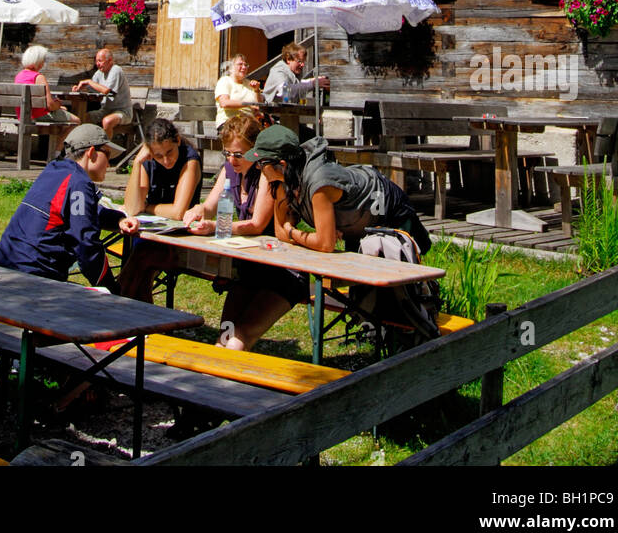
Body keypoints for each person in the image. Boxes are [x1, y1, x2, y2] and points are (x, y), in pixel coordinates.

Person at [181, 109, 308, 350]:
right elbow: (210, 205)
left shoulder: (265, 172)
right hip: (250, 266)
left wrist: (214, 228)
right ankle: (214, 381)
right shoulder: (230, 169)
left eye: (239, 155)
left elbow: (256, 224)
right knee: (226, 332)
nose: (232, 160)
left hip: (283, 270)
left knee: (239, 336)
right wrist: (198, 210)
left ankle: (224, 384)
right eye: (227, 153)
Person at [244, 125, 431, 257]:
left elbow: (325, 244)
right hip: (356, 222)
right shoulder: (281, 182)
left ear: (282, 164)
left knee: (403, 273)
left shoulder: (320, 184)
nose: (258, 168)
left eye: (262, 162)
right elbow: (280, 233)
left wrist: (294, 233)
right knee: (361, 289)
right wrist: (303, 235)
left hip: (388, 207)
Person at [0, 124, 137, 287]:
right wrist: (112, 291)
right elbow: (86, 244)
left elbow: (79, 211)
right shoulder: (79, 182)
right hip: (32, 277)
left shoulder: (55, 170)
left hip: (2, 265)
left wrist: (117, 219)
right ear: (92, 153)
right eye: (108, 155)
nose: (109, 164)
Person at [123, 118, 203, 221]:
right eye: (158, 156)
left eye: (169, 152)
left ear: (177, 140)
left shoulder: (190, 160)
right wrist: (137, 163)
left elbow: (178, 212)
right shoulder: (147, 160)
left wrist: (146, 207)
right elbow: (132, 209)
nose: (166, 161)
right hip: (152, 226)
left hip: (182, 229)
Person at [15, 45, 79, 159]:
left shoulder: (19, 76)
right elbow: (50, 105)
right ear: (38, 61)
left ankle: (59, 151)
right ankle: (57, 153)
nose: (44, 63)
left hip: (23, 115)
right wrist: (58, 104)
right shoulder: (39, 77)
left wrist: (57, 108)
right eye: (43, 60)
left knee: (62, 118)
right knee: (76, 121)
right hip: (38, 116)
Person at [72, 48, 132, 138]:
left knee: (107, 121)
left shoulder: (116, 70)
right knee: (83, 118)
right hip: (105, 110)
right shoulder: (99, 73)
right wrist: (79, 89)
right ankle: (87, 146)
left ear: (110, 61)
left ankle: (105, 149)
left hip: (122, 112)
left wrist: (88, 82)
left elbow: (107, 90)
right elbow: (91, 88)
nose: (97, 64)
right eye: (96, 61)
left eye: (100, 61)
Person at [262, 42, 329, 104]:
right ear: (288, 59)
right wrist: (312, 84)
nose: (302, 65)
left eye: (303, 62)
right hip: (272, 114)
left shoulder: (290, 72)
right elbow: (285, 91)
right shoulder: (279, 71)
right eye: (299, 61)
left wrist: (313, 81)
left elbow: (295, 84)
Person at [213, 53, 261, 127]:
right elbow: (224, 103)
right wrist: (247, 104)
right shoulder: (225, 81)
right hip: (229, 123)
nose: (244, 67)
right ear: (231, 68)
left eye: (245, 65)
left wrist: (257, 90)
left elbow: (258, 106)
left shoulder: (249, 84)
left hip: (248, 123)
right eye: (240, 64)